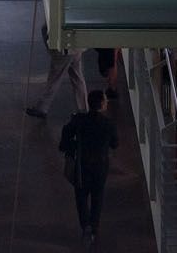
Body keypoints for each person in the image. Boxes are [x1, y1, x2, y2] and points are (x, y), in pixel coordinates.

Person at [59, 89, 118, 246]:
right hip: (100, 166)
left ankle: (85, 225)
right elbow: (115, 144)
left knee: (81, 196)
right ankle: (94, 227)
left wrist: (69, 149)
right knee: (98, 197)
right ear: (101, 104)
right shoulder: (108, 124)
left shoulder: (80, 120)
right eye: (105, 100)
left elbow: (66, 132)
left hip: (82, 164)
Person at [26, 27, 88, 119]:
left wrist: (52, 52)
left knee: (55, 79)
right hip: (76, 45)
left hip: (65, 48)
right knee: (77, 77)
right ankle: (83, 108)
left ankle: (42, 108)